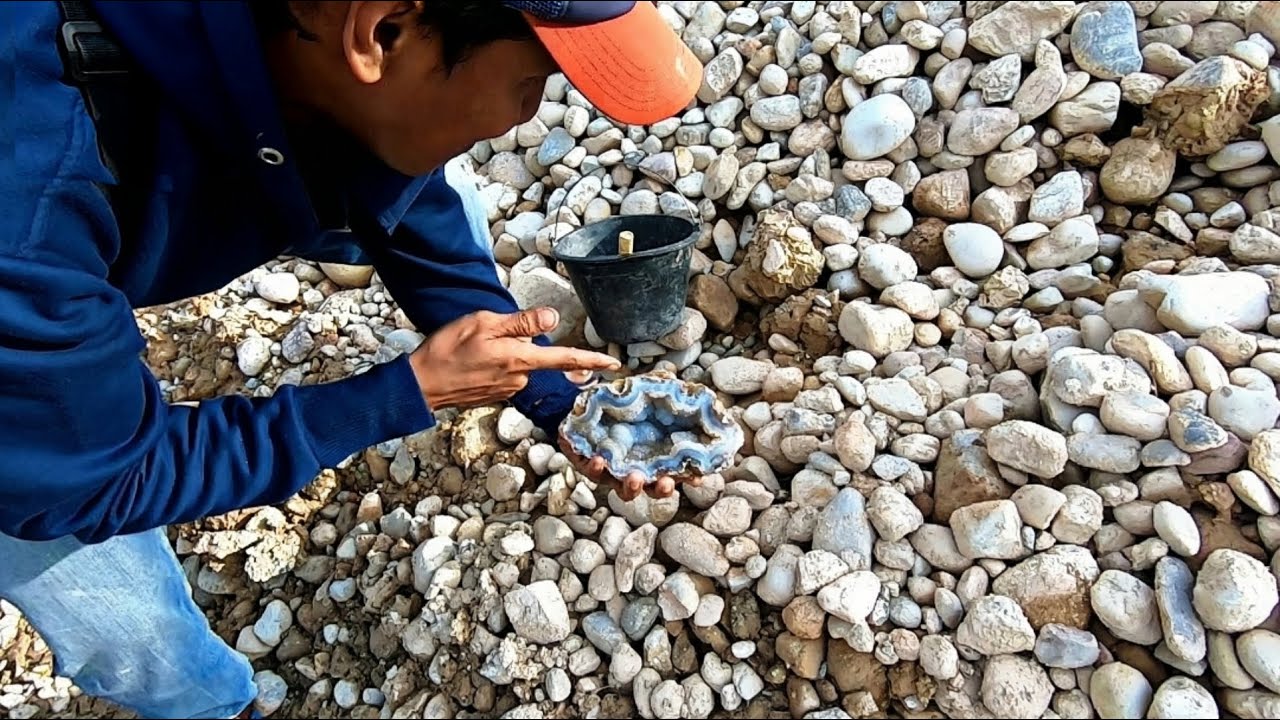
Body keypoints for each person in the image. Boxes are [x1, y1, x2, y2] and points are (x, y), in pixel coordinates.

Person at [0, 1, 704, 717]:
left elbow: (409, 202)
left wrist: (564, 404)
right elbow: (93, 484)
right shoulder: (29, 206)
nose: (530, 113)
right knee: (116, 607)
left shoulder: (308, 48)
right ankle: (214, 707)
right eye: (535, 77)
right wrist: (401, 392)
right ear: (384, 31)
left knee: (437, 164)